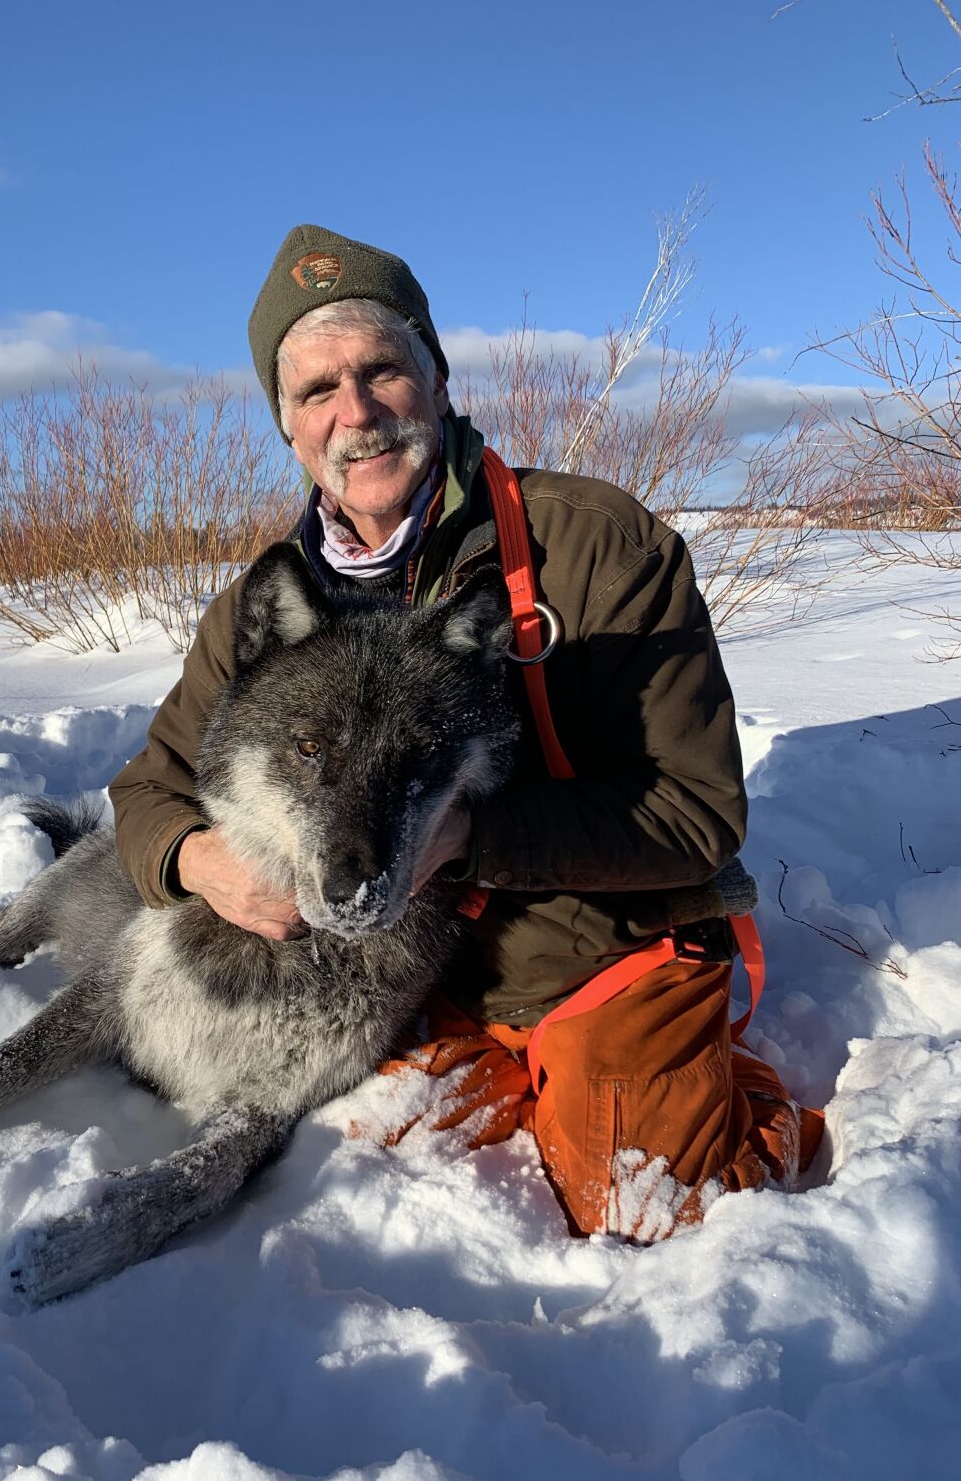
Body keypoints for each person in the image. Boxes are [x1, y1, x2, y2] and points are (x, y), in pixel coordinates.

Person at [109, 224, 818, 1241]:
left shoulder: (593, 547)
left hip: (592, 947)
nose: (354, 413)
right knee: (361, 1175)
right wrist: (198, 859)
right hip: (402, 974)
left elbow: (695, 811)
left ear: (434, 379)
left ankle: (751, 1112)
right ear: (286, 424)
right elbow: (147, 793)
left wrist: (471, 838)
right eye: (315, 391)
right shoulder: (262, 610)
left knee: (639, 1208)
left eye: (380, 370)